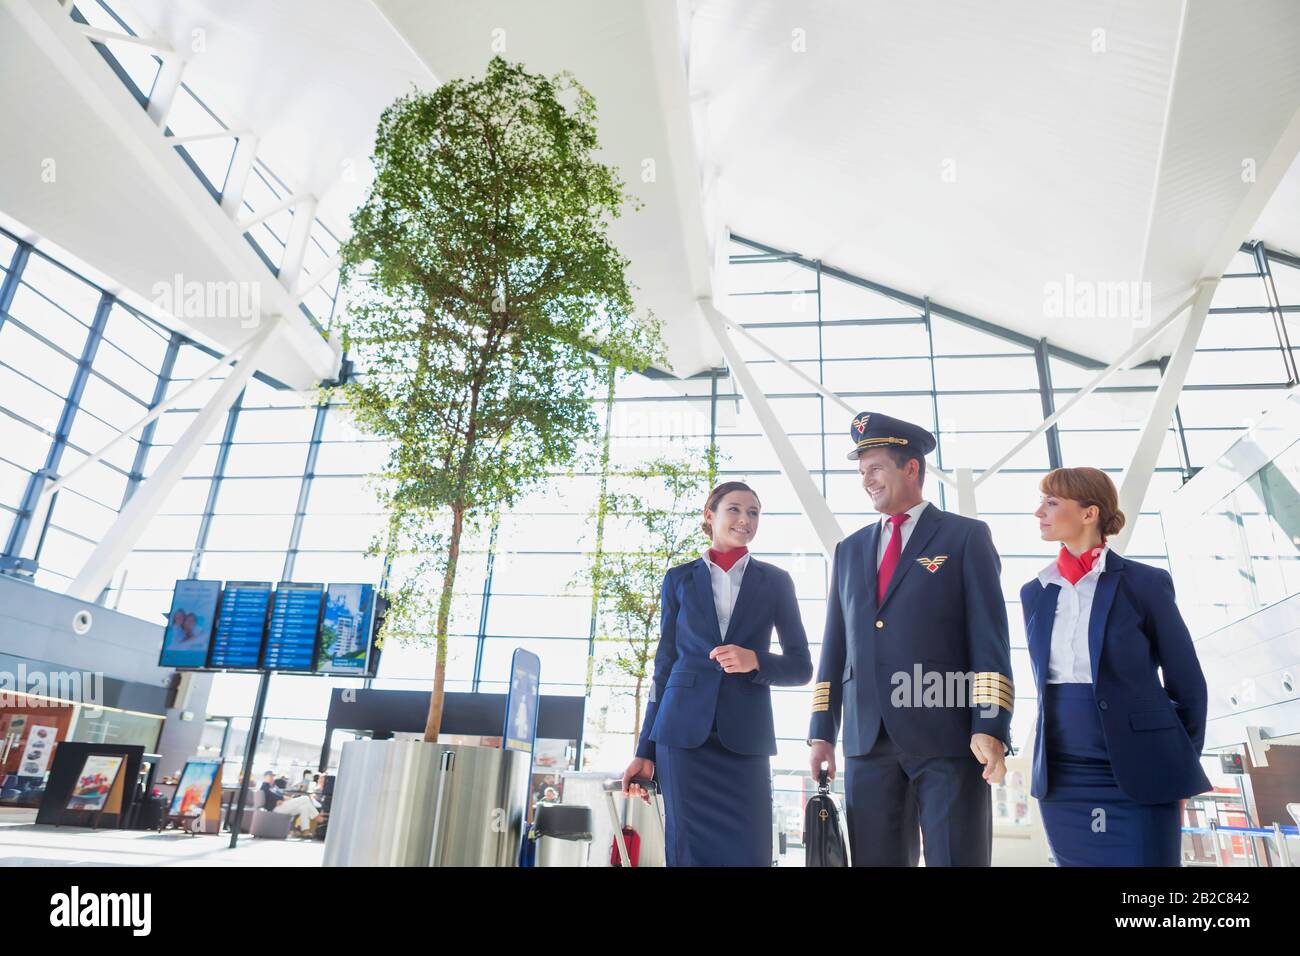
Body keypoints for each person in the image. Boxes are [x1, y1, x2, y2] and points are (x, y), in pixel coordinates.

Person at [808, 411, 1014, 866]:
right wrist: (821, 731)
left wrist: (990, 724)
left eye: (876, 467)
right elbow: (834, 647)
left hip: (948, 736)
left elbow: (989, 640)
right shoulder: (849, 550)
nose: (867, 480)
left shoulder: (965, 537)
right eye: (861, 472)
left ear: (912, 468)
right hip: (867, 740)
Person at [1024, 467, 1210, 866]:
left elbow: (1188, 684)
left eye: (1051, 502)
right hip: (1063, 776)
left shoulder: (1144, 584)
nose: (1039, 512)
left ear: (1089, 513)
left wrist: (1174, 763)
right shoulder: (1035, 593)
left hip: (1139, 772)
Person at [622, 481, 812, 866]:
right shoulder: (679, 579)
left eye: (754, 512)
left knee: (751, 852)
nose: (745, 519)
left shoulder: (775, 581)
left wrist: (755, 660)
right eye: (735, 509)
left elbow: (801, 666)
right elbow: (664, 666)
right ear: (710, 515)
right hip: (681, 736)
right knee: (687, 851)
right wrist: (645, 750)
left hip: (745, 737)